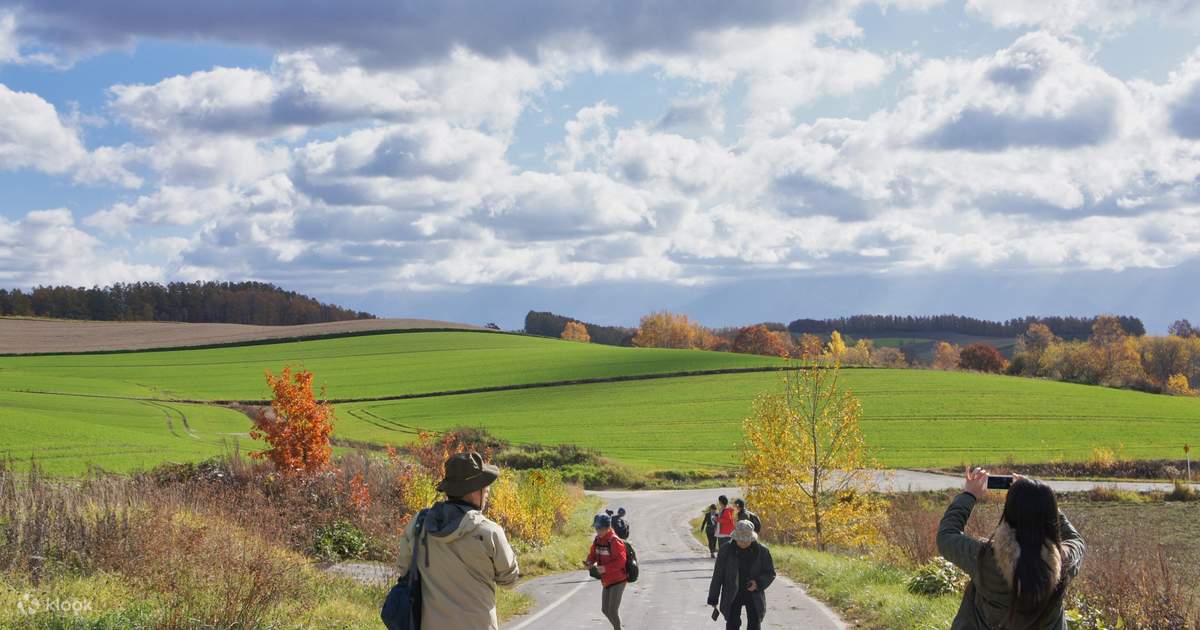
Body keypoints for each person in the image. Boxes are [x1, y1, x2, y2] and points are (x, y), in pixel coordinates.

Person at [937, 468, 1086, 630]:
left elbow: (946, 536)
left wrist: (969, 495)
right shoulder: (1063, 561)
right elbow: (1076, 540)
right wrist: (1043, 503)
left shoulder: (985, 558)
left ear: (1009, 511)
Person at [396, 451, 519, 630]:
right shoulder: (489, 532)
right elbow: (509, 581)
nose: (488, 491)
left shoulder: (419, 524)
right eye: (484, 485)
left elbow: (404, 569)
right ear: (473, 490)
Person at [708, 520, 776, 630]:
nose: (743, 542)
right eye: (740, 540)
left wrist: (758, 583)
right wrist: (713, 598)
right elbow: (718, 575)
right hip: (732, 593)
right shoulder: (726, 550)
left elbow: (770, 573)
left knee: (754, 623)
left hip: (753, 594)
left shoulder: (762, 551)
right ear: (735, 537)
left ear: (752, 538)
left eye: (746, 540)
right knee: (732, 623)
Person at [586, 513, 629, 630]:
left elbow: (621, 561)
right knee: (605, 609)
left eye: (599, 528)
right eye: (596, 528)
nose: (597, 531)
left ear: (607, 528)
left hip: (618, 579)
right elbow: (593, 555)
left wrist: (605, 568)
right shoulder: (598, 540)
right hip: (607, 579)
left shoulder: (614, 541)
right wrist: (589, 562)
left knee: (612, 610)